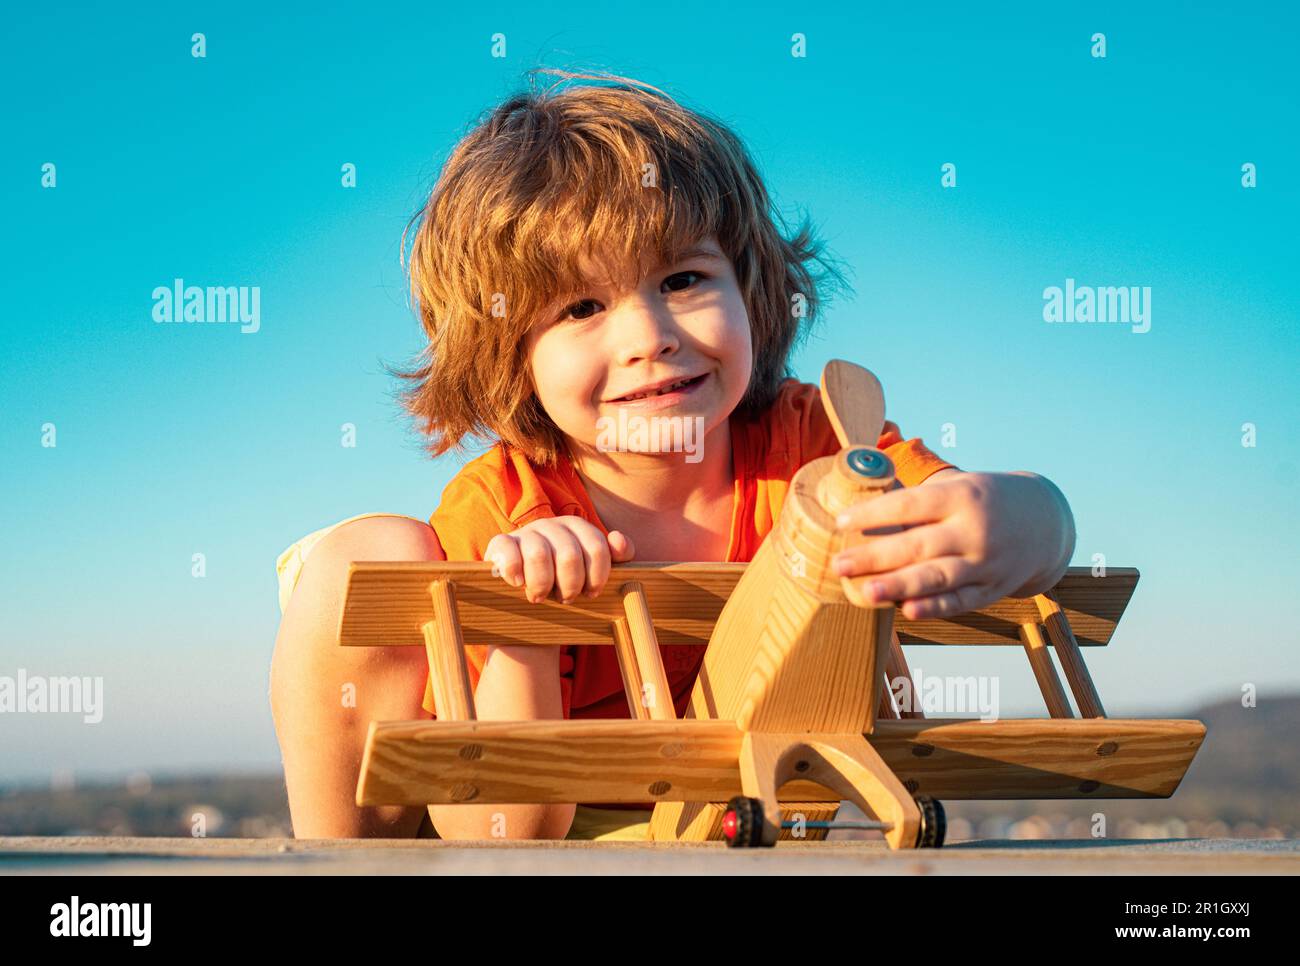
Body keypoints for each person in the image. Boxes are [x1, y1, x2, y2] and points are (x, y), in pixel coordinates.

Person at [270, 68, 1076, 841]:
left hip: (750, 813)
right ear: (508, 355)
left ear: (751, 288)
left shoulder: (818, 447)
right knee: (365, 556)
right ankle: (340, 860)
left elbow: (1010, 519)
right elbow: (504, 831)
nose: (650, 336)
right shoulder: (507, 507)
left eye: (684, 279)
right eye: (582, 306)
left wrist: (1021, 515)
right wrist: (523, 622)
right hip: (550, 823)